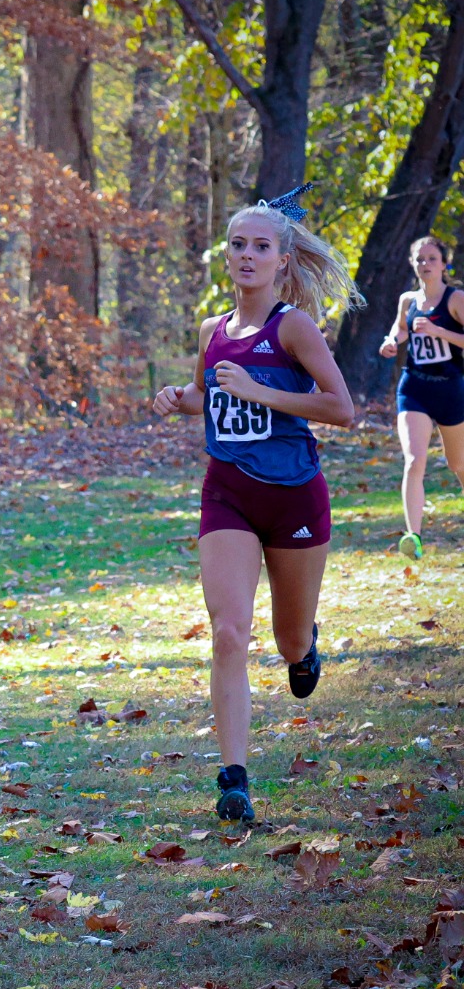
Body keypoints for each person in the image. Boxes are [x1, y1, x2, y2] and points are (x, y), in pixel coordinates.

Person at [151, 185, 357, 824]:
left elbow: (342, 409)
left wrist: (264, 393)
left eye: (260, 247)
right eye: (237, 244)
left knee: (288, 641)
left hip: (294, 494)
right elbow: (209, 394)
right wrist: (180, 400)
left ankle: (305, 648)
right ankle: (233, 777)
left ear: (283, 261)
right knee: (228, 631)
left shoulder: (293, 327)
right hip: (228, 495)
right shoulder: (212, 330)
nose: (246, 256)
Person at [378, 235, 464, 559]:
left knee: (459, 464)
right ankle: (413, 538)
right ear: (413, 265)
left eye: (431, 258)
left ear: (444, 264)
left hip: (450, 388)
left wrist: (440, 331)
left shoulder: (455, 299)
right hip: (414, 387)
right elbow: (400, 328)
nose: (425, 264)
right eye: (419, 259)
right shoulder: (407, 300)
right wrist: (392, 342)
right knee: (414, 460)